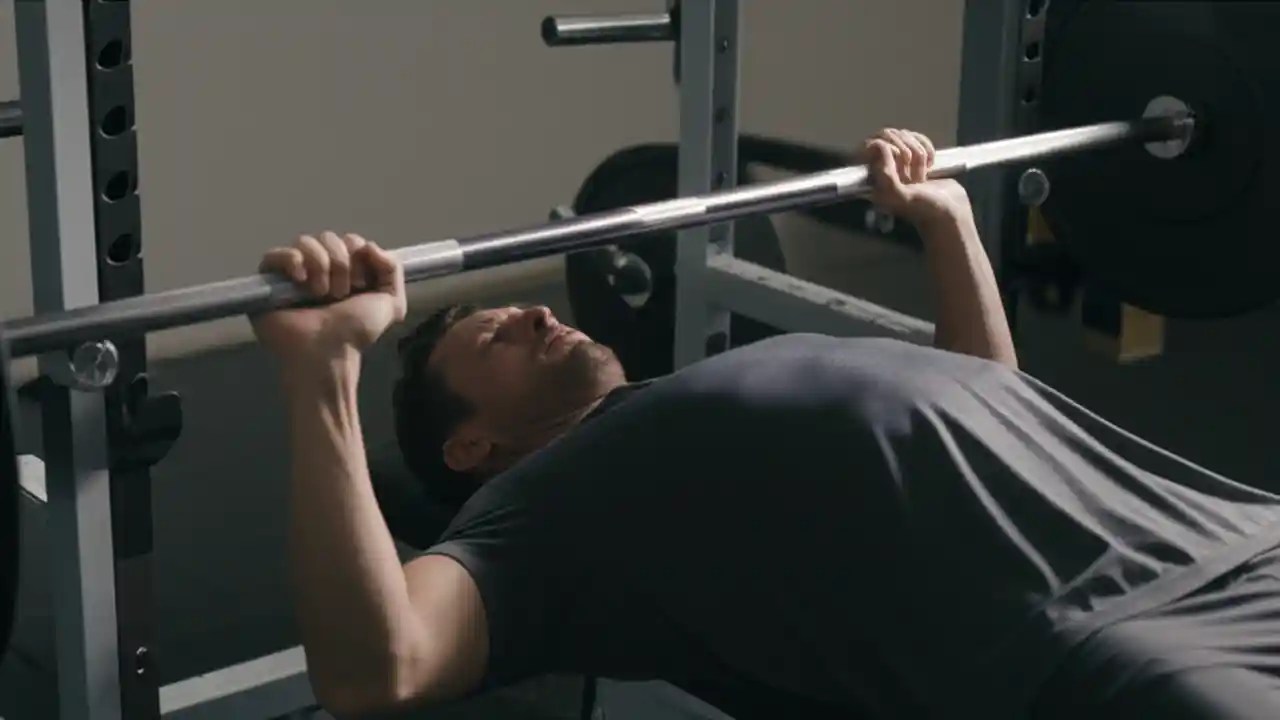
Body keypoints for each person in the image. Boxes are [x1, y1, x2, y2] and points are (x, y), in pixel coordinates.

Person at [251, 129, 1280, 720]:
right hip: (1126, 646)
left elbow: (987, 400)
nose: (533, 312)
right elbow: (375, 669)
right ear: (470, 446)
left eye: (521, 309)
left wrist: (948, 224)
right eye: (493, 337)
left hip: (1240, 538)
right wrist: (324, 370)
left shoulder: (686, 400)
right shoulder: (546, 510)